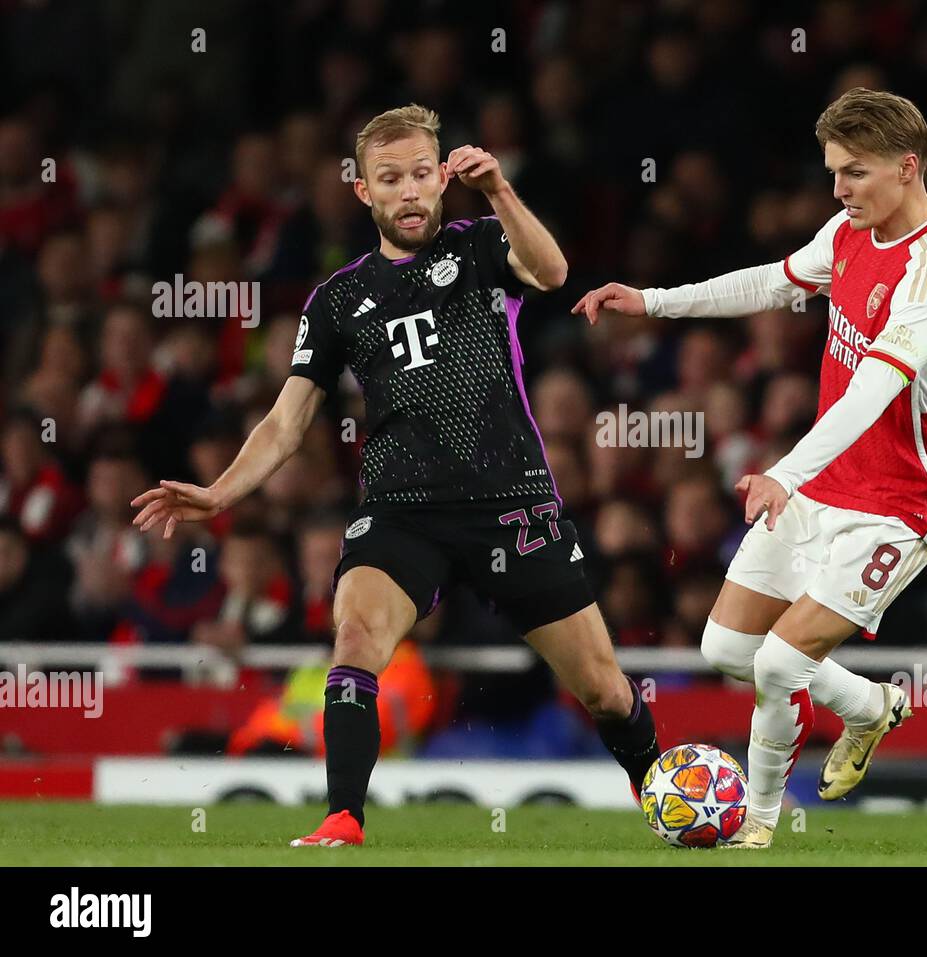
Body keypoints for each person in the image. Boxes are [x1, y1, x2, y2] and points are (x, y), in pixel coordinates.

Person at [131, 105, 659, 847]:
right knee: (354, 635)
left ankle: (666, 795)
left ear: (443, 176)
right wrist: (219, 491)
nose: (409, 192)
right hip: (403, 510)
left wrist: (501, 192)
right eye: (390, 179)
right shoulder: (339, 299)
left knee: (604, 688)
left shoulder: (479, 245)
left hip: (511, 500)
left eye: (420, 174)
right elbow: (287, 422)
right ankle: (344, 813)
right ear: (363, 192)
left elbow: (554, 271)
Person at [573, 89, 927, 846]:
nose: (838, 190)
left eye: (854, 173)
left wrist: (785, 472)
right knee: (725, 650)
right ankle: (867, 707)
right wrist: (654, 301)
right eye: (832, 172)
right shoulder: (852, 228)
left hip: (897, 500)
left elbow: (873, 390)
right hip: (824, 480)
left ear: (908, 166)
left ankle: (758, 825)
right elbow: (772, 281)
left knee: (782, 661)